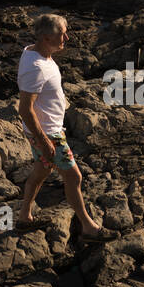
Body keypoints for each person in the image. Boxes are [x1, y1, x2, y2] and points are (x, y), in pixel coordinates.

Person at [15, 13, 117, 241]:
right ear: (45, 37)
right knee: (74, 177)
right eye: (61, 34)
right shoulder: (36, 67)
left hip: (46, 130)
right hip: (48, 134)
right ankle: (89, 227)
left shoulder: (33, 51)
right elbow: (25, 109)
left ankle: (24, 217)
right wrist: (44, 141)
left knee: (41, 171)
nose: (67, 37)